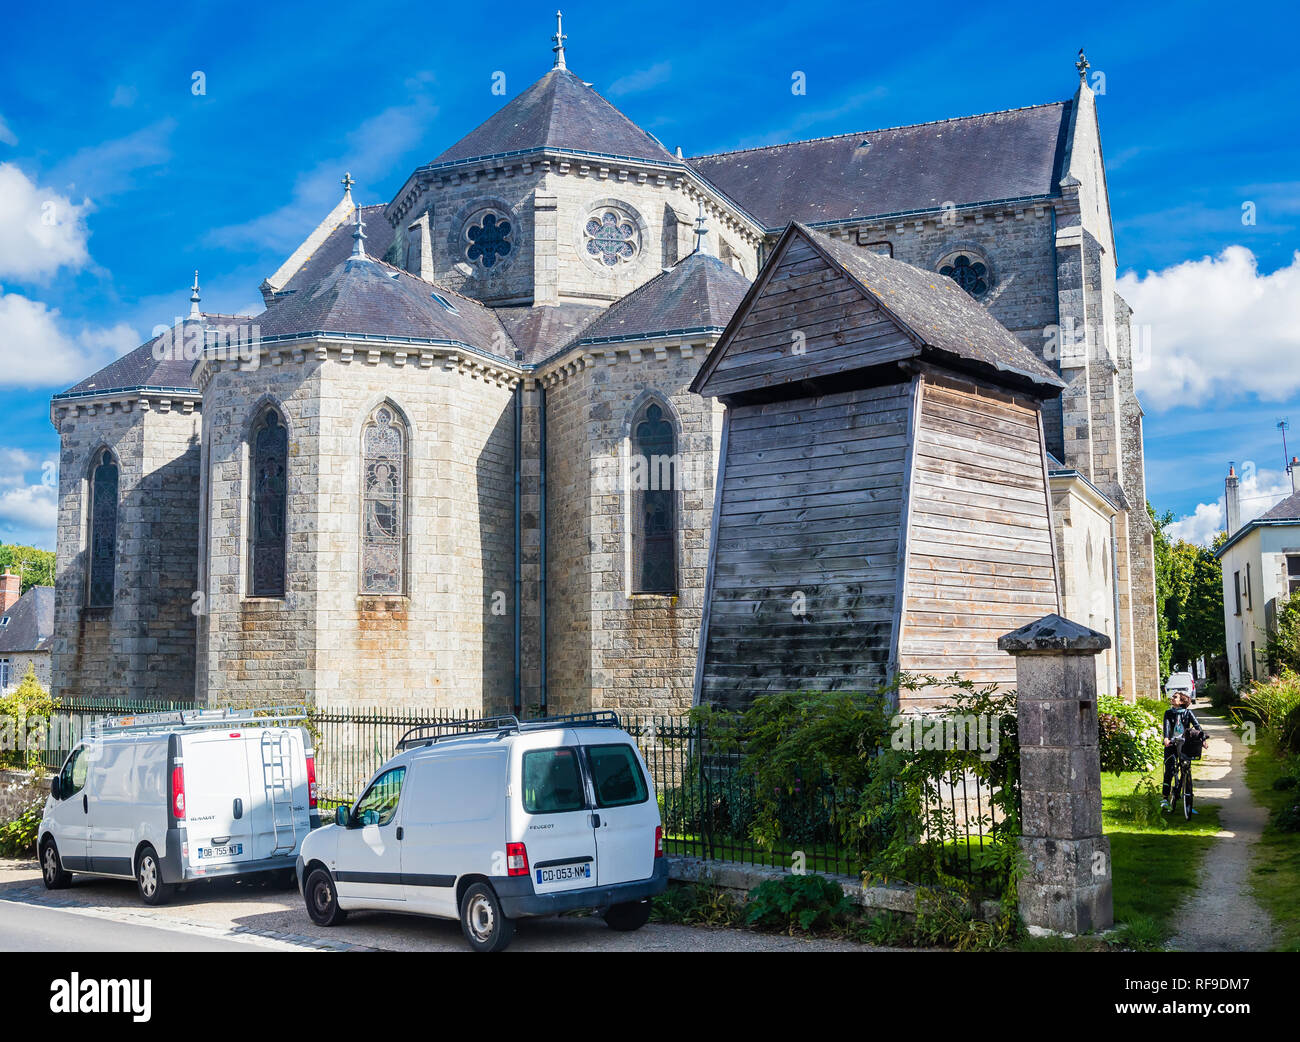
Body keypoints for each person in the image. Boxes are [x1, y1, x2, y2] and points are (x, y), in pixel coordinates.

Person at [1161, 690, 1204, 814]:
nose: (1172, 698)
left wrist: (1202, 738)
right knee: (1169, 769)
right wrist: (1166, 738)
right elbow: (1167, 726)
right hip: (1172, 743)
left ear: (1181, 702)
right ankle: (1165, 798)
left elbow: (1197, 726)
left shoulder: (1188, 713)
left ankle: (1188, 799)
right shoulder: (1168, 713)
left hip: (1185, 744)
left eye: (1175, 697)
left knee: (1186, 768)